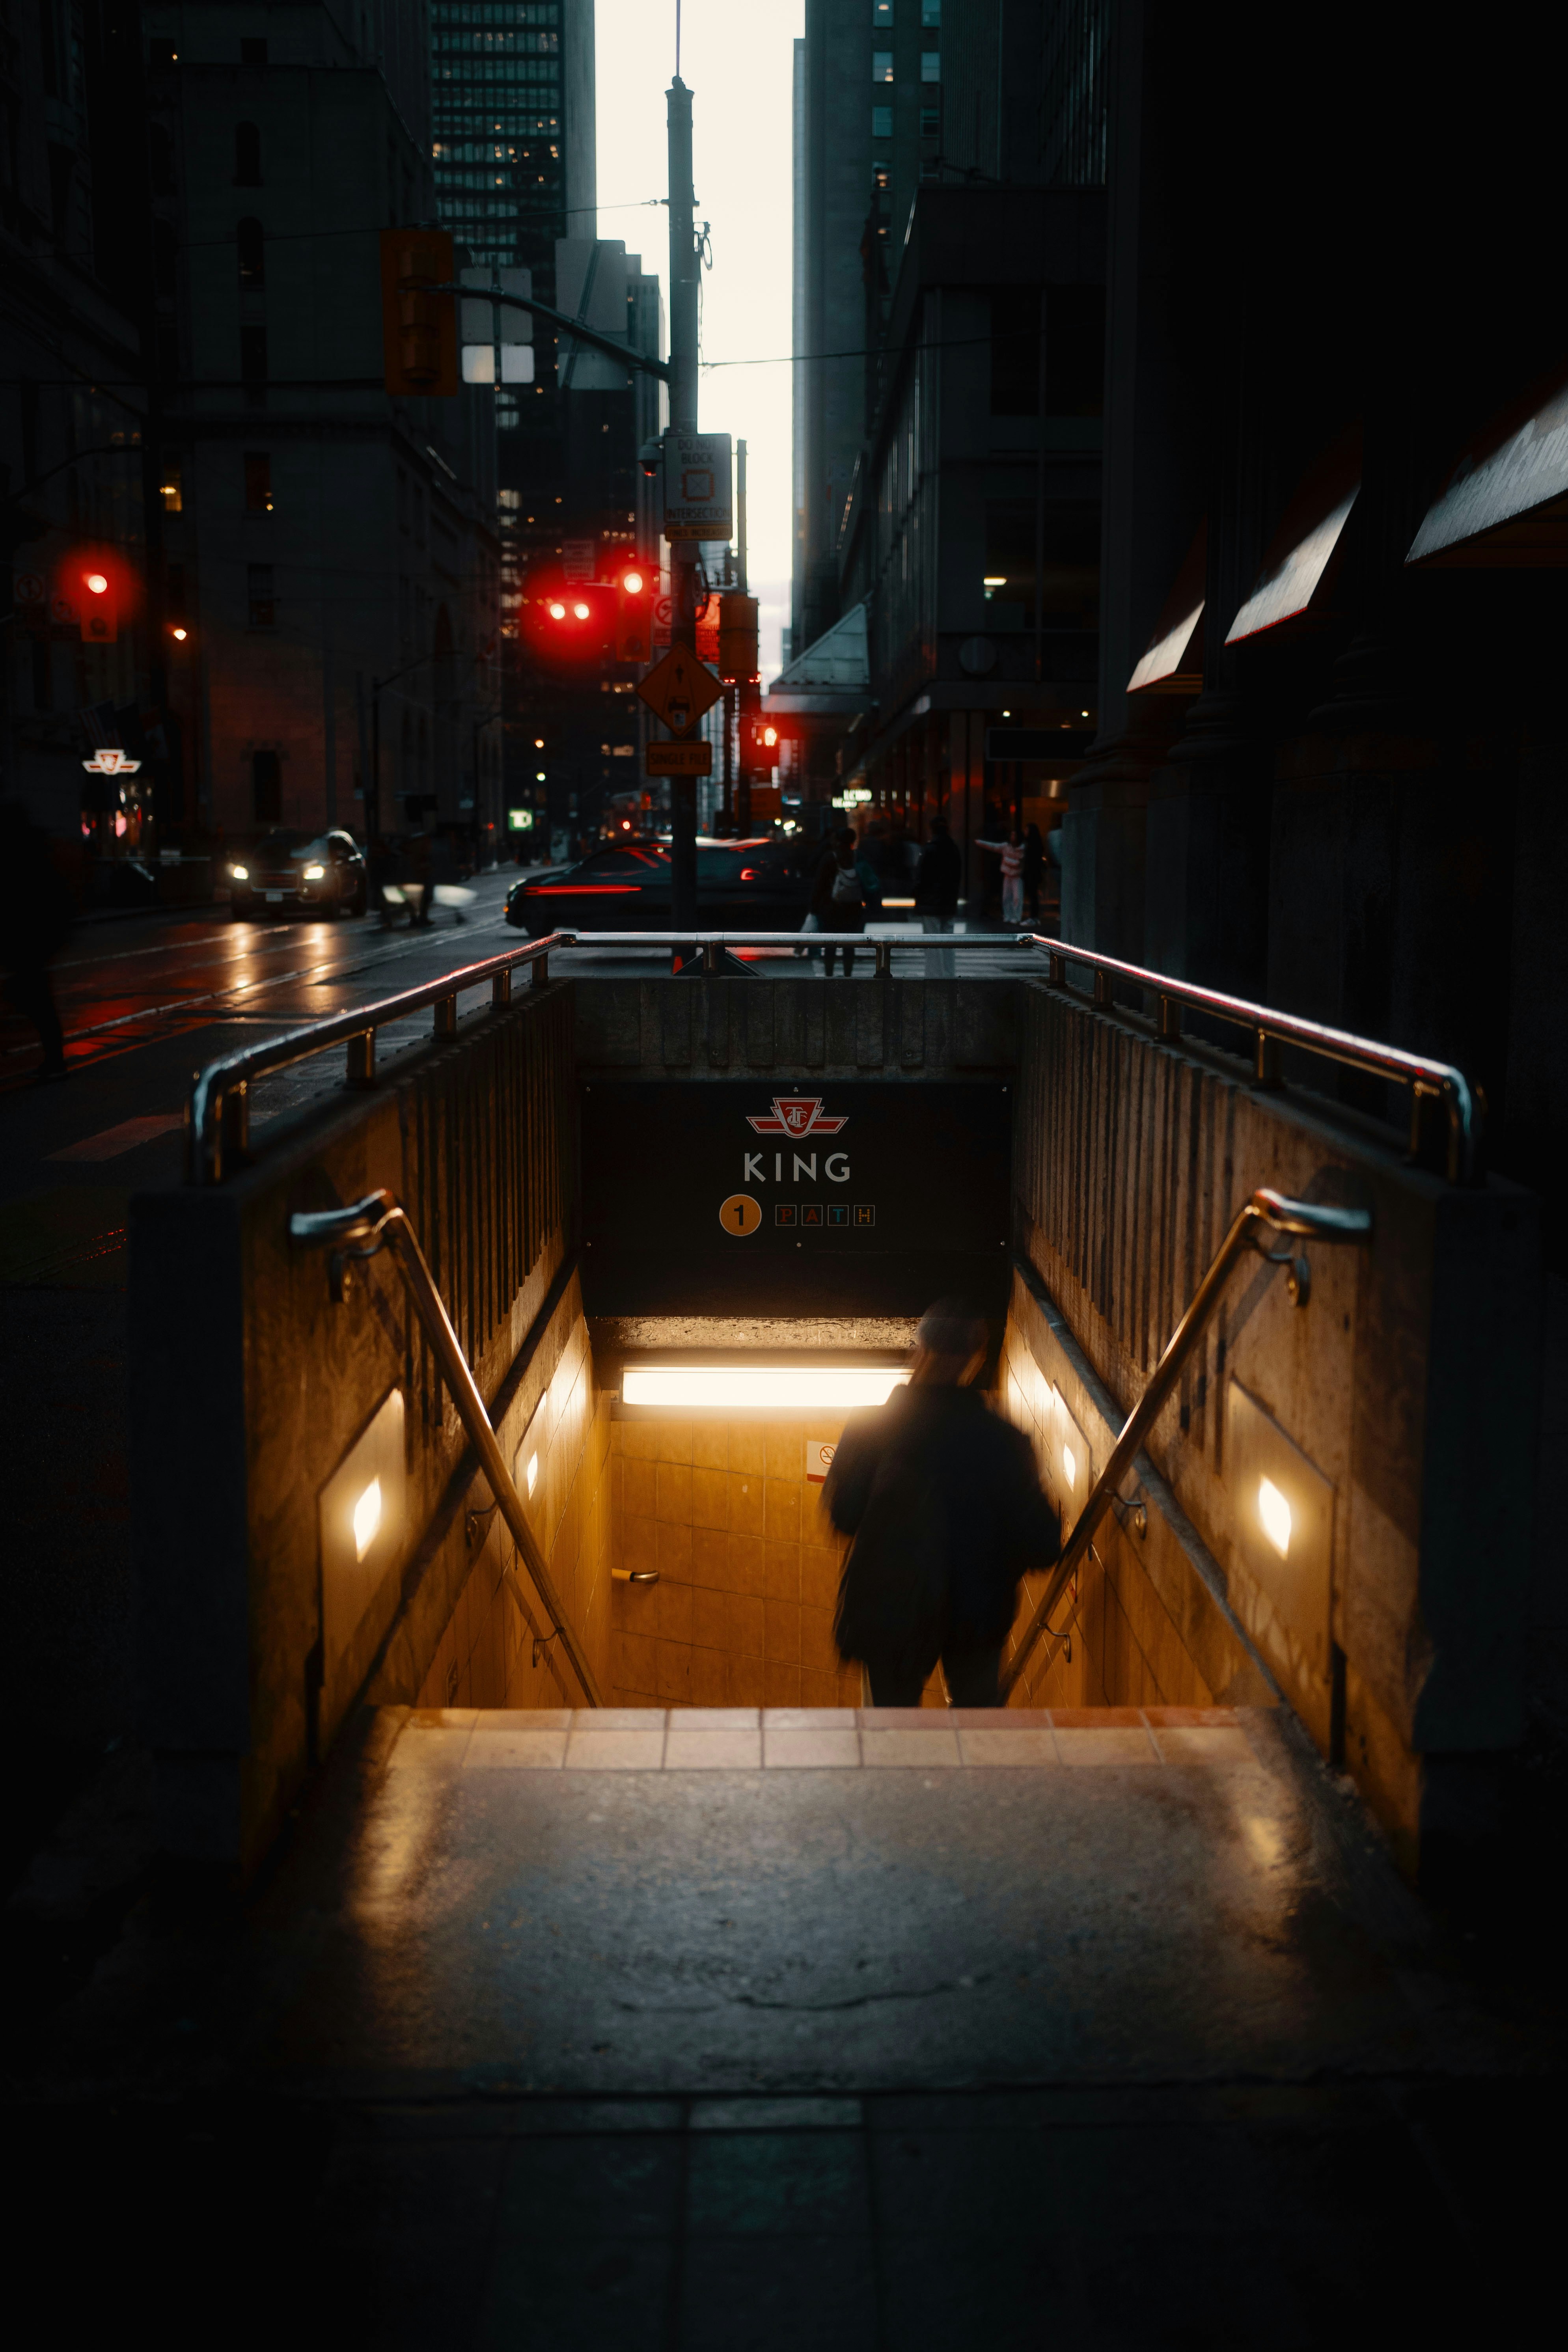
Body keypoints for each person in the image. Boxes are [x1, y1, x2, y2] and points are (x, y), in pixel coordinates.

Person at [824, 1301, 1060, 1707]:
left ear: (918, 1348)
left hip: (889, 1609)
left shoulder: (868, 1429)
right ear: (975, 1359)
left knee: (889, 1731)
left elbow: (843, 1515)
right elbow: (1043, 1546)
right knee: (974, 1729)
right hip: (977, 1612)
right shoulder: (1003, 1440)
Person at [0, 798, 72, 1081]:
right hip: (33, 938)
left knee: (32, 997)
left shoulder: (21, 854)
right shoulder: (37, 849)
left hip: (28, 938)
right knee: (36, 998)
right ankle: (53, 1056)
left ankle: (53, 1058)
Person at [811, 826, 864, 976]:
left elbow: (819, 884)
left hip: (832, 906)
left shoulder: (830, 857)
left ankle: (829, 975)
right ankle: (848, 975)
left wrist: (814, 907)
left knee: (830, 943)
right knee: (850, 944)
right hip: (854, 907)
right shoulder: (858, 857)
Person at [914, 814, 962, 974]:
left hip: (930, 902)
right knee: (948, 942)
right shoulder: (954, 849)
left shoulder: (929, 849)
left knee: (932, 943)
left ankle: (934, 976)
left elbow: (920, 878)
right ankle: (949, 975)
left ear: (932, 830)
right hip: (949, 902)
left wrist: (919, 897)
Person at [978, 824, 1027, 926]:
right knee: (1006, 897)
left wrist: (1009, 861)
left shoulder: (1022, 849)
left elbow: (1020, 863)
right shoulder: (1006, 847)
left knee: (1017, 898)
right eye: (1012, 835)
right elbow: (993, 847)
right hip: (1008, 876)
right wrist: (980, 843)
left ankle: (1016, 917)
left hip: (1016, 876)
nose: (1013, 837)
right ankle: (1008, 916)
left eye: (1014, 835)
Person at [1023, 823, 1046, 925]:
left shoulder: (1031, 845)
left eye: (1026, 830)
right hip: (1034, 873)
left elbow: (1032, 860)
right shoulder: (1036, 844)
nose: (1025, 832)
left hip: (1032, 873)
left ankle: (1033, 917)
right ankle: (1034, 917)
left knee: (1033, 896)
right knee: (1034, 896)